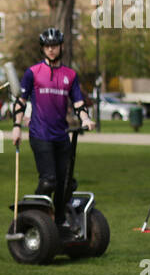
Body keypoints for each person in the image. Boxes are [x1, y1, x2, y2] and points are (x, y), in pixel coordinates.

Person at [10, 27, 94, 230]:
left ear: (60, 47)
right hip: (40, 134)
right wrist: (16, 126)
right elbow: (20, 102)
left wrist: (85, 118)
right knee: (49, 181)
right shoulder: (33, 73)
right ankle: (35, 217)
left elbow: (78, 102)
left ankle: (58, 220)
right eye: (47, 46)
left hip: (62, 135)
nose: (51, 50)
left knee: (66, 183)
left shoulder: (70, 75)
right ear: (43, 48)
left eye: (54, 46)